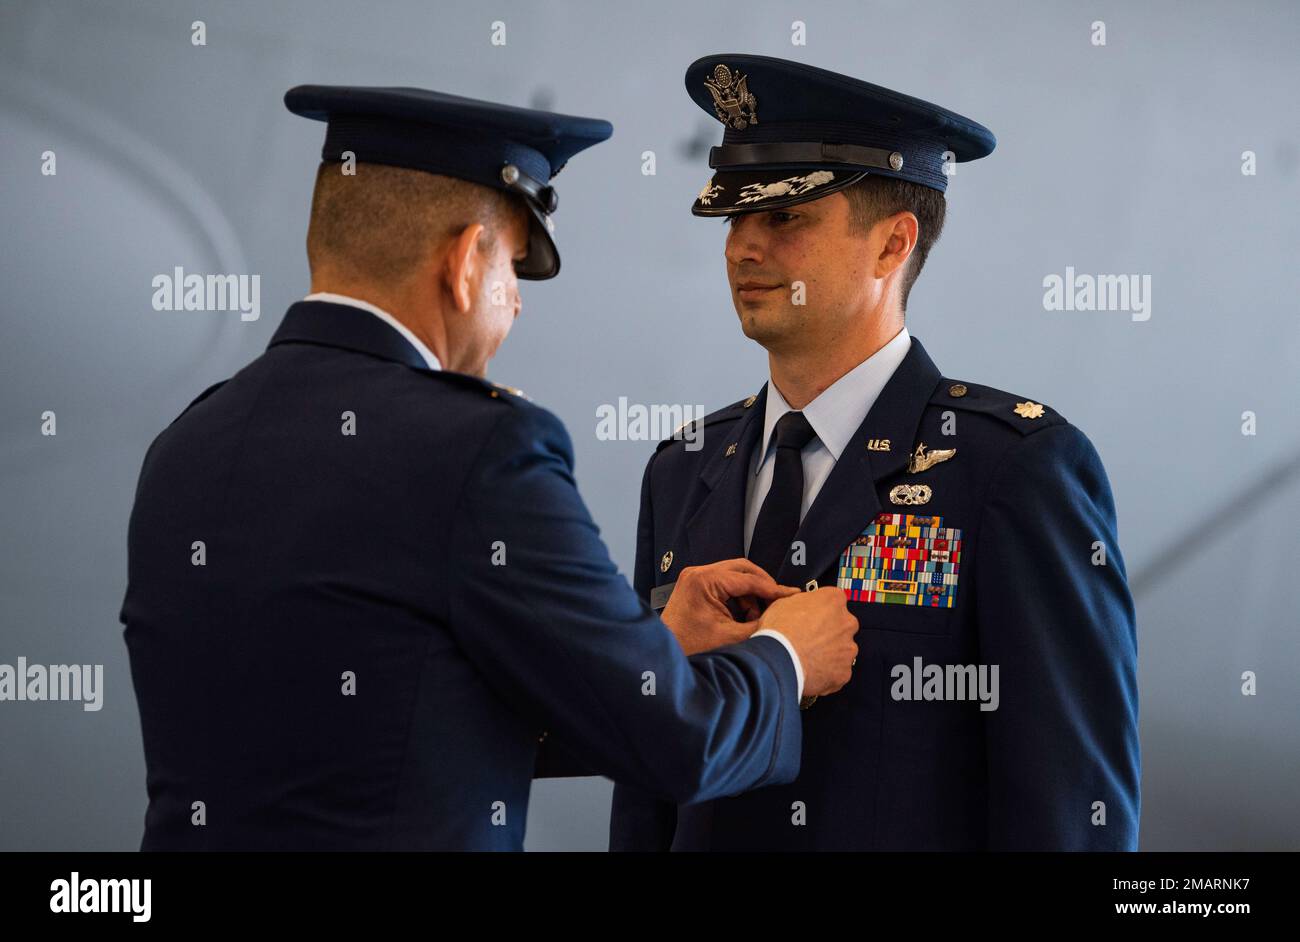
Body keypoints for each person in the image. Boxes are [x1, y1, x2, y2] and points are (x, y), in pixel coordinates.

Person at [119, 84, 858, 851]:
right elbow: (680, 744)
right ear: (467, 262)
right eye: (511, 266)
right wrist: (787, 659)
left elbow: (393, 713)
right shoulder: (478, 448)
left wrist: (655, 651)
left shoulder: (188, 442)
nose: (514, 305)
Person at [609, 55, 1140, 851]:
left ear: (894, 244)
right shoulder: (685, 465)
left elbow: (1072, 808)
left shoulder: (1012, 470)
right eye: (734, 219)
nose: (742, 248)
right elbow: (649, 786)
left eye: (785, 218)